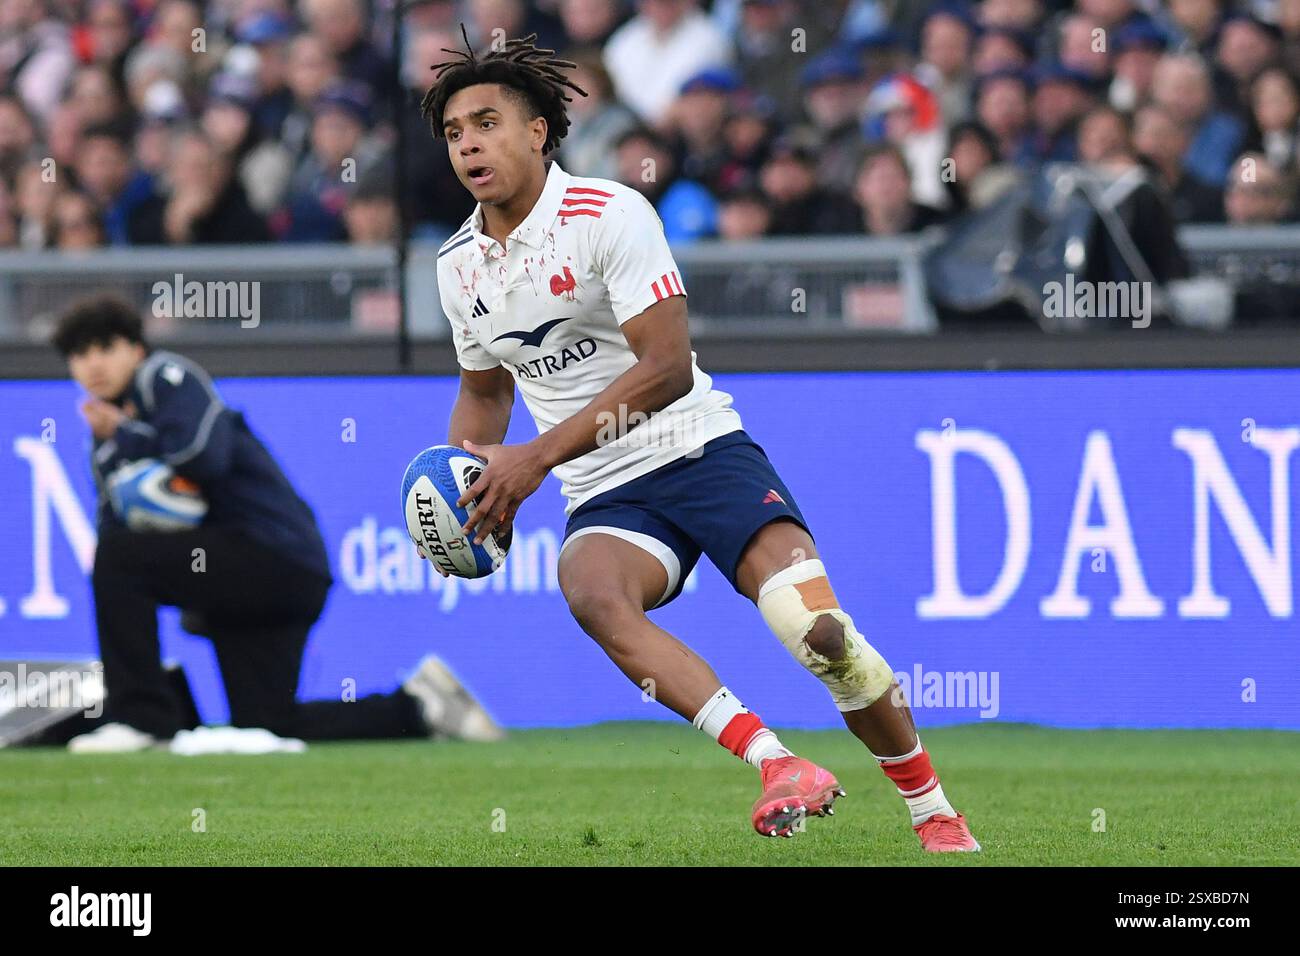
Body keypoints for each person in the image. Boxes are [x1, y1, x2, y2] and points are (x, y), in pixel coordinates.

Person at [422, 31, 979, 850]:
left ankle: (933, 809)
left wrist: (535, 457)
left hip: (699, 450)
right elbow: (483, 392)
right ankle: (774, 762)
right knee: (589, 588)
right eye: (454, 132)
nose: (469, 142)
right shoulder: (456, 264)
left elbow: (668, 368)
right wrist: (469, 491)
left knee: (820, 637)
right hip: (605, 490)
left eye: (486, 121)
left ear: (538, 129)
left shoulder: (609, 213)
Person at [52, 296, 504, 752]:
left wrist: (126, 437)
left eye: (105, 347)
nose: (93, 364)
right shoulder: (107, 440)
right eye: (79, 354)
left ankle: (143, 718)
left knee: (116, 559)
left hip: (276, 558)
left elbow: (203, 458)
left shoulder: (165, 377)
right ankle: (419, 706)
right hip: (246, 582)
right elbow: (117, 525)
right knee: (268, 726)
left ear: (135, 347)